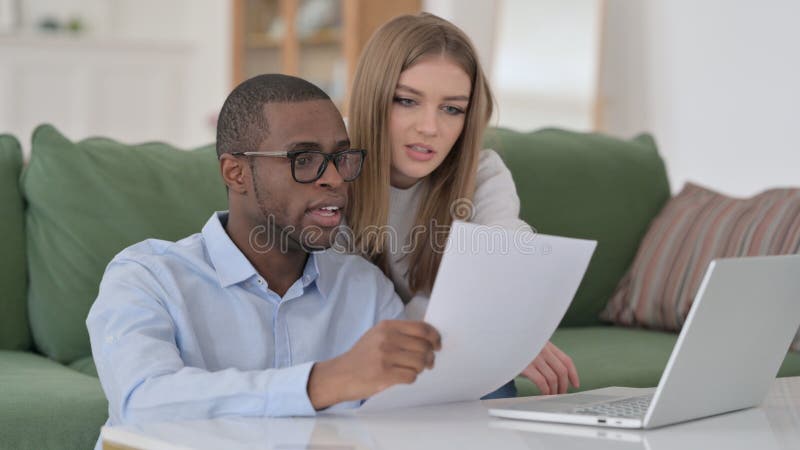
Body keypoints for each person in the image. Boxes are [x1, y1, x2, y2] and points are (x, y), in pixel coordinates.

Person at [86, 74, 442, 448]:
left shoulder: (364, 288)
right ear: (235, 172)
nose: (335, 179)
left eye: (341, 158)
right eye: (304, 160)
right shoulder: (147, 277)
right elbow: (142, 404)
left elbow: (408, 420)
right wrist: (323, 381)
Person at [346, 13, 580, 397]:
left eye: (452, 109)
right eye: (406, 101)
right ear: (374, 97)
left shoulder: (482, 174)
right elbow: (339, 312)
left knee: (491, 373)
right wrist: (488, 327)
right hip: (357, 360)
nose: (430, 128)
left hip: (449, 358)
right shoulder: (330, 166)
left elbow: (503, 274)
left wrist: (514, 331)